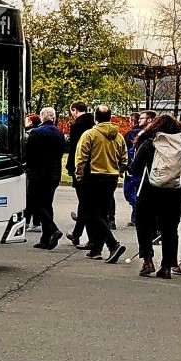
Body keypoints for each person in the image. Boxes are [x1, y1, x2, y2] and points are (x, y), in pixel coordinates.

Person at [129, 114, 181, 278]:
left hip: (150, 189)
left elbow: (135, 168)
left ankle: (147, 260)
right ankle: (167, 266)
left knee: (143, 223)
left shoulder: (150, 143)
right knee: (170, 227)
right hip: (176, 190)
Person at [73, 105, 127, 262]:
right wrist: (119, 170)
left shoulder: (90, 134)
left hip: (93, 177)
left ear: (95, 118)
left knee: (91, 213)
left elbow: (81, 157)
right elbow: (124, 158)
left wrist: (79, 175)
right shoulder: (118, 136)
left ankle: (113, 244)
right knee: (102, 213)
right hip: (111, 178)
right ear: (110, 117)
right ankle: (96, 248)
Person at [24, 107, 67, 249]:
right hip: (54, 173)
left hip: (37, 172)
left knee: (35, 203)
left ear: (42, 118)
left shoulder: (36, 133)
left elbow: (28, 152)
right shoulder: (59, 133)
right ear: (53, 117)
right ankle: (46, 237)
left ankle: (52, 229)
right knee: (47, 203)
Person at [65, 102, 94, 246]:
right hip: (95, 167)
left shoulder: (77, 127)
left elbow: (75, 150)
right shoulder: (94, 124)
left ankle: (88, 237)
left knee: (85, 202)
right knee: (85, 202)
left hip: (81, 167)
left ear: (75, 110)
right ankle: (77, 233)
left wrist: (70, 167)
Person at [122, 110, 156, 229]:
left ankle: (139, 216)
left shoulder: (141, 135)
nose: (138, 121)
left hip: (139, 169)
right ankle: (136, 216)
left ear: (149, 120)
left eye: (141, 118)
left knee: (132, 192)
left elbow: (131, 152)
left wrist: (129, 166)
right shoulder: (155, 134)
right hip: (148, 171)